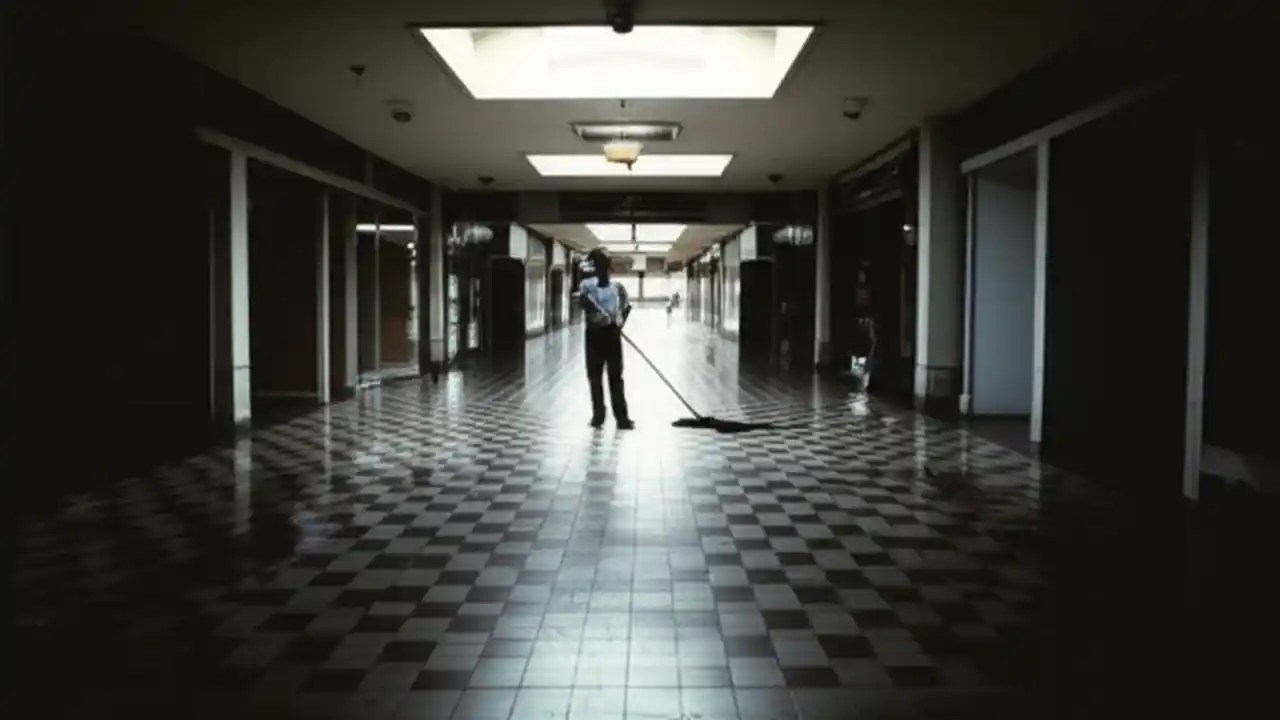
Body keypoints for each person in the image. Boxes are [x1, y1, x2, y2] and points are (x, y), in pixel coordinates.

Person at [579, 248, 634, 429]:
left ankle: (621, 417)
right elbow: (586, 305)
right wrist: (603, 318)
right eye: (597, 265)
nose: (601, 270)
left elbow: (626, 307)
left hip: (612, 336)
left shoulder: (617, 288)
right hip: (594, 336)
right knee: (595, 377)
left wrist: (618, 323)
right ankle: (598, 415)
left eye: (603, 265)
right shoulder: (587, 286)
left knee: (615, 376)